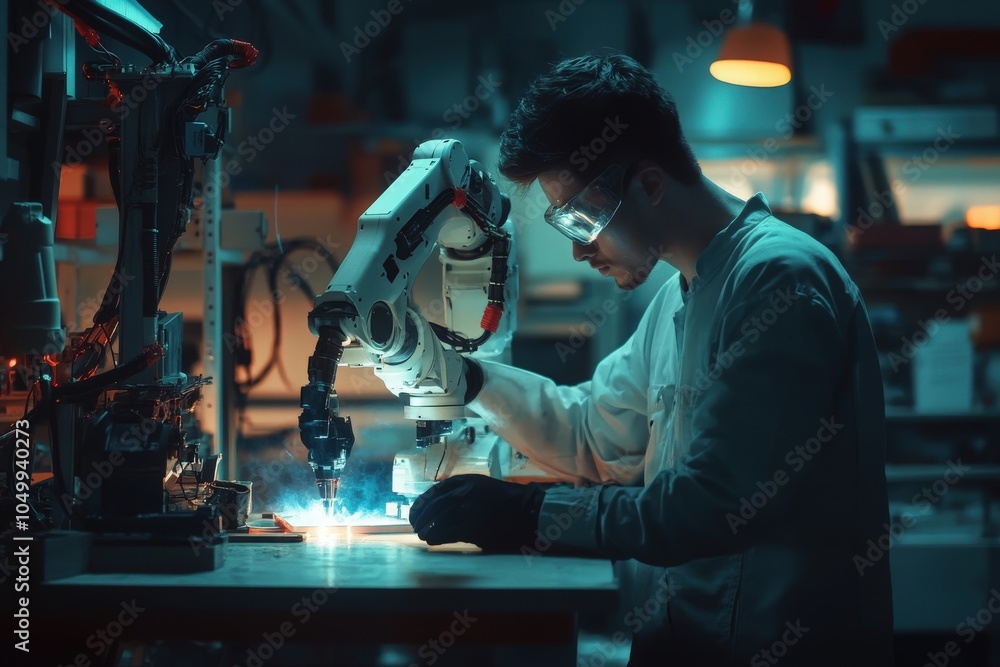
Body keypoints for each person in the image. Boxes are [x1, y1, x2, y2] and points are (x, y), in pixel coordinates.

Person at [408, 53, 893, 666]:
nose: (580, 250)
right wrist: (463, 377)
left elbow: (708, 506)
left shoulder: (779, 281)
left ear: (651, 184)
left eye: (580, 219)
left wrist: (530, 513)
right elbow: (593, 432)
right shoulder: (676, 296)